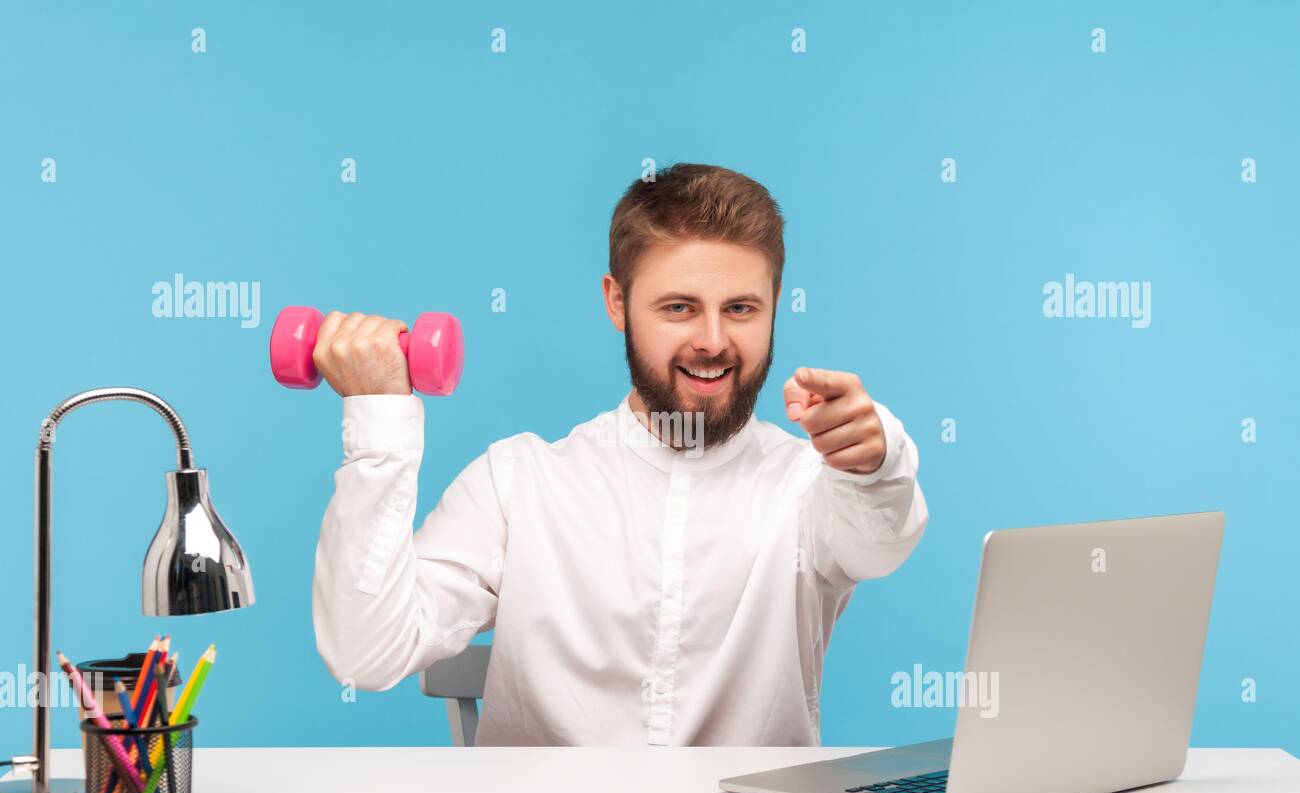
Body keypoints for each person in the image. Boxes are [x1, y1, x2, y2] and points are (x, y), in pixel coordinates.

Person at [312, 163, 928, 745]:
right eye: (679, 307)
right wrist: (379, 420)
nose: (713, 341)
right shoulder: (518, 484)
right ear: (616, 303)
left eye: (740, 308)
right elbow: (366, 652)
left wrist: (874, 460)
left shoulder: (810, 487)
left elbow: (879, 538)